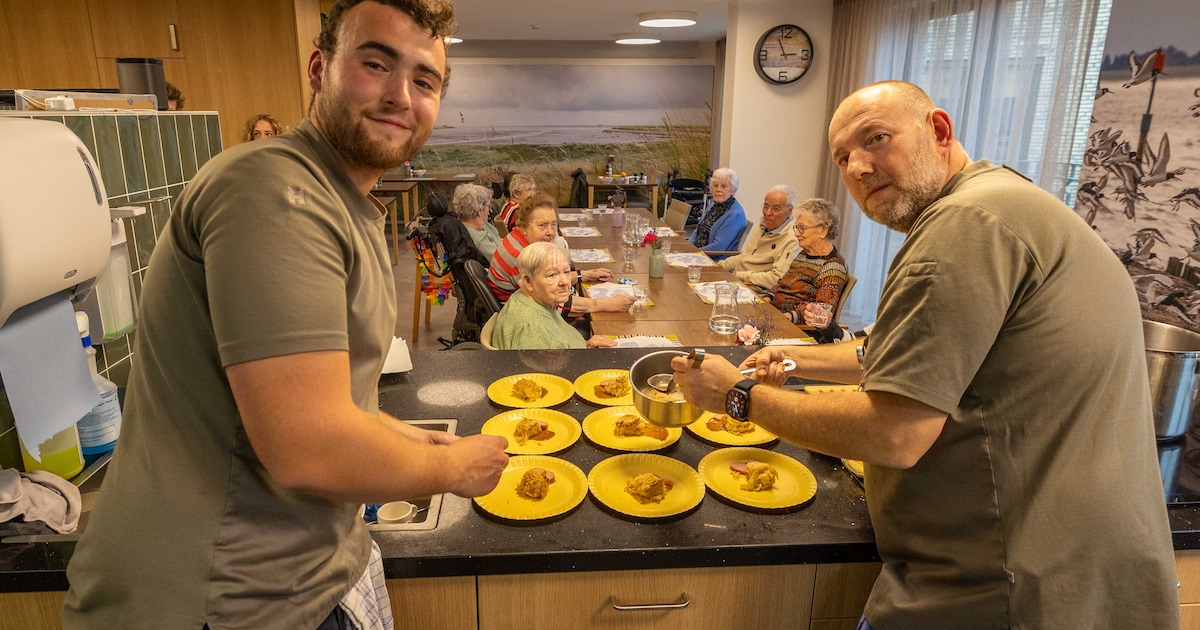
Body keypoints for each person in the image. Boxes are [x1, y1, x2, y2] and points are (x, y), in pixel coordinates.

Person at [63, 2, 509, 628]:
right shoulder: (275, 192)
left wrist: (417, 438)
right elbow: (308, 446)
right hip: (217, 601)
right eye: (375, 62)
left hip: (281, 585)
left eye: (424, 80)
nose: (399, 95)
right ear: (318, 68)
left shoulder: (337, 199)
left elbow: (332, 405)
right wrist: (451, 467)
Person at [670, 80, 1178, 629]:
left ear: (938, 130)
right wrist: (792, 357)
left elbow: (895, 432)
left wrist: (736, 395)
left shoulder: (964, 225)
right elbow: (912, 350)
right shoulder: (1001, 198)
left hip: (1003, 586)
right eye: (843, 157)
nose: (858, 167)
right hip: (1082, 568)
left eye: (876, 139)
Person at [487, 193, 634, 315]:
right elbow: (552, 301)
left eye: (553, 224)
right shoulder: (521, 257)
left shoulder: (519, 239)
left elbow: (548, 281)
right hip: (536, 319)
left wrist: (584, 274)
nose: (551, 232)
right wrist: (605, 304)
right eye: (542, 225)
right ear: (524, 227)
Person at [493, 242, 618, 349]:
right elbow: (545, 375)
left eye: (566, 272)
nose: (565, 282)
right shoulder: (531, 329)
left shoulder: (533, 300)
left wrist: (586, 346)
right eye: (552, 275)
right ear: (528, 281)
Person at [761, 198, 849, 330]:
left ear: (823, 230)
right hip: (775, 316)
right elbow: (782, 283)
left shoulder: (832, 266)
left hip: (798, 329)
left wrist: (789, 316)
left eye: (802, 228)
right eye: (796, 227)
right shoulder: (804, 254)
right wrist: (767, 297)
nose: (796, 233)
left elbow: (821, 311)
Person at [717, 184, 801, 289]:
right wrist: (718, 266)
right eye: (766, 206)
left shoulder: (793, 238)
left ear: (790, 211)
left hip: (754, 288)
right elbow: (745, 256)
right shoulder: (762, 226)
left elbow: (778, 278)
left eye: (776, 208)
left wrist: (740, 276)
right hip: (736, 279)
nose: (768, 213)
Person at [689, 167, 747, 257]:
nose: (718, 189)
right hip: (699, 255)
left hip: (716, 261)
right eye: (715, 185)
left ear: (733, 190)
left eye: (724, 186)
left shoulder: (735, 214)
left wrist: (692, 253)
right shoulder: (713, 205)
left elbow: (718, 247)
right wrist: (688, 247)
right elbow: (697, 231)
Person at [454, 182, 502, 261]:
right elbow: (504, 260)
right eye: (488, 206)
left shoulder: (482, 224)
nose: (489, 209)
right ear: (479, 210)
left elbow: (498, 239)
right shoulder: (478, 240)